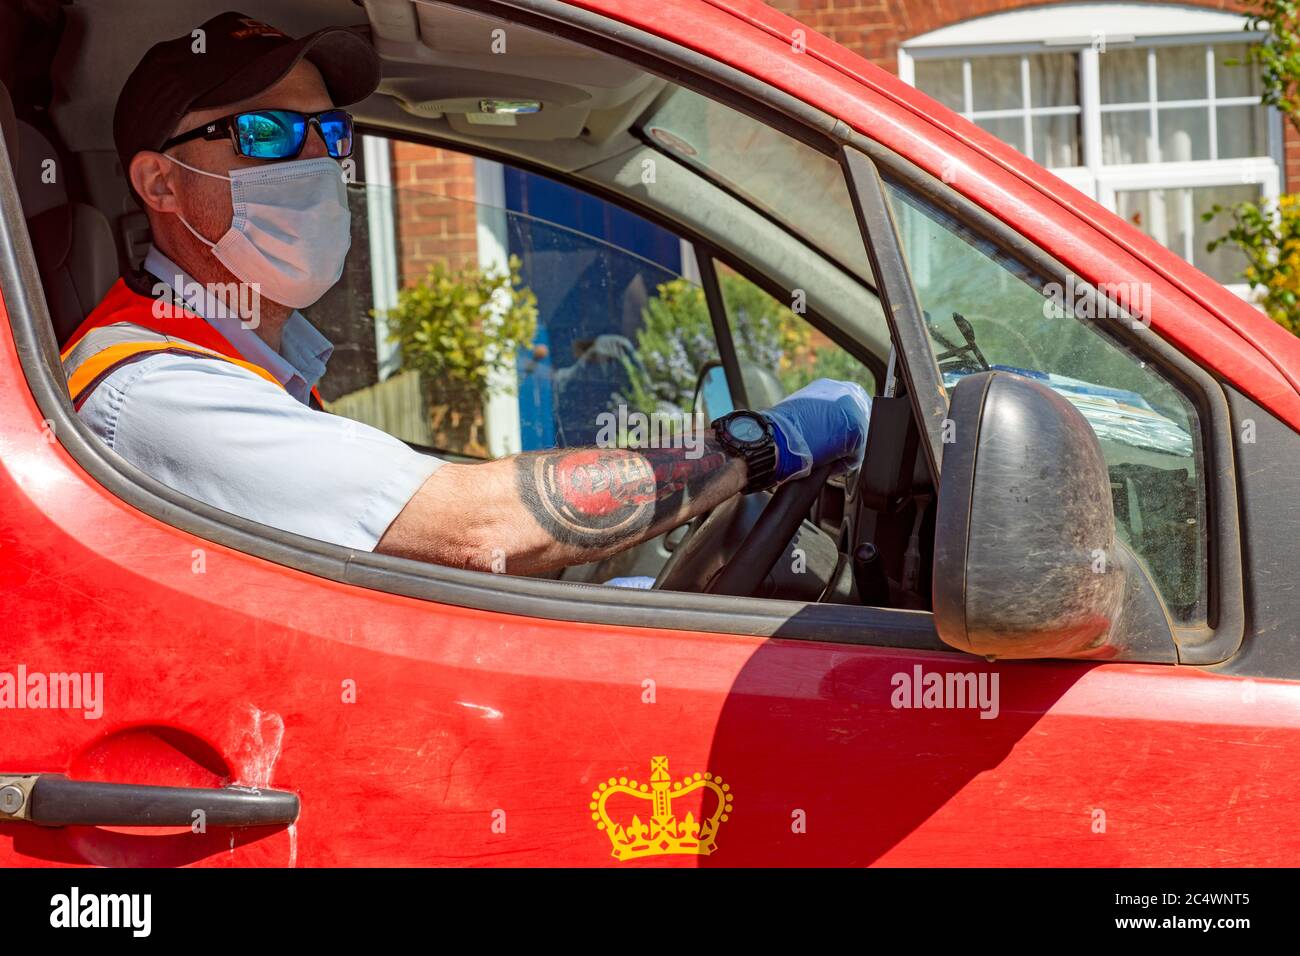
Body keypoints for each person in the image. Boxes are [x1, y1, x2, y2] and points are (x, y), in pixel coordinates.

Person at [64, 11, 872, 578]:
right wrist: (754, 445)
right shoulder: (151, 388)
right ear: (160, 183)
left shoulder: (258, 361)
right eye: (264, 133)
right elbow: (476, 526)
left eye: (330, 133)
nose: (314, 160)